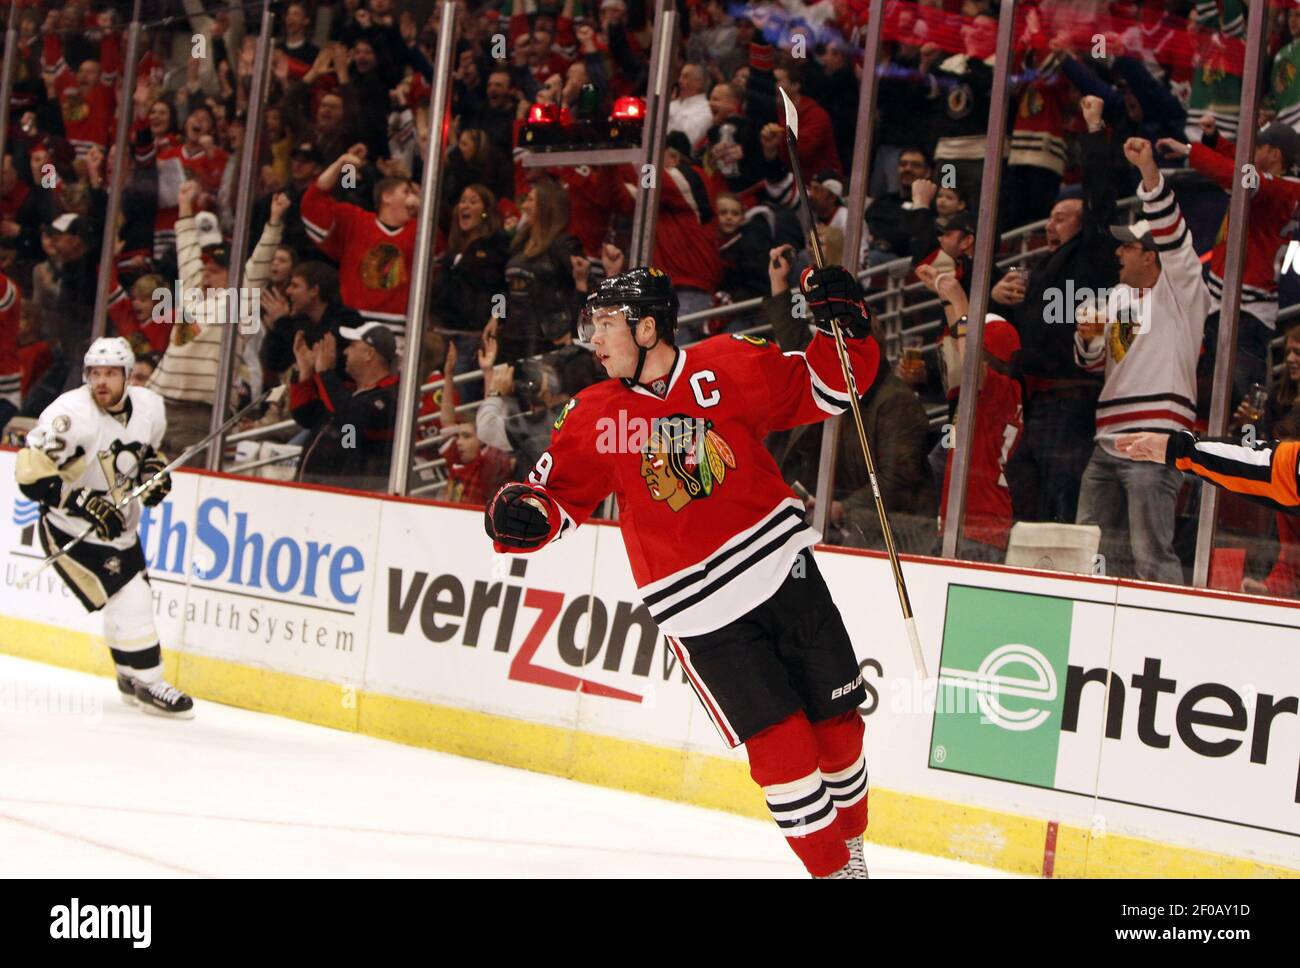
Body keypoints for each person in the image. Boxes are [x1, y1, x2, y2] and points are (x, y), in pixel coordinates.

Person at [483, 265, 880, 879]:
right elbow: (556, 498)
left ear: (647, 327)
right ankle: (834, 871)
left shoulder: (732, 362)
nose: (595, 338)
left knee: (839, 730)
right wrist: (527, 516)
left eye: (608, 324)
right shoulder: (594, 414)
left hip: (783, 570)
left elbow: (829, 389)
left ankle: (851, 844)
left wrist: (845, 326)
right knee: (783, 747)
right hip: (700, 611)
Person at [14, 337, 193, 717]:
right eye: (95, 373)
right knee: (132, 596)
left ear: (128, 377)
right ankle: (150, 682)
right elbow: (30, 473)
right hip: (68, 530)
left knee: (130, 590)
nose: (101, 381)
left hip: (122, 529)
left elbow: (148, 454)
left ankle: (129, 675)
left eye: (111, 373)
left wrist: (153, 472)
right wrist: (79, 501)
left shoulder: (149, 408)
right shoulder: (70, 415)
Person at [1073, 138, 1207, 585]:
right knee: (1089, 553)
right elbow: (1097, 366)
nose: (1118, 252)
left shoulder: (1182, 291)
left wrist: (1149, 171)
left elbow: (1174, 233)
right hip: (1106, 443)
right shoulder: (1118, 297)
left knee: (1151, 557)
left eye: (1127, 248)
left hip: (1154, 445)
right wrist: (1087, 338)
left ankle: (1170, 636)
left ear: (1152, 255)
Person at [290, 320, 399, 491]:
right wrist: (305, 374)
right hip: (313, 490)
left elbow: (350, 421)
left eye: (352, 346)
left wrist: (325, 373)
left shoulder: (389, 397)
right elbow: (305, 416)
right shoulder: (349, 393)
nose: (345, 351)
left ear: (369, 353)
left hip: (349, 496)